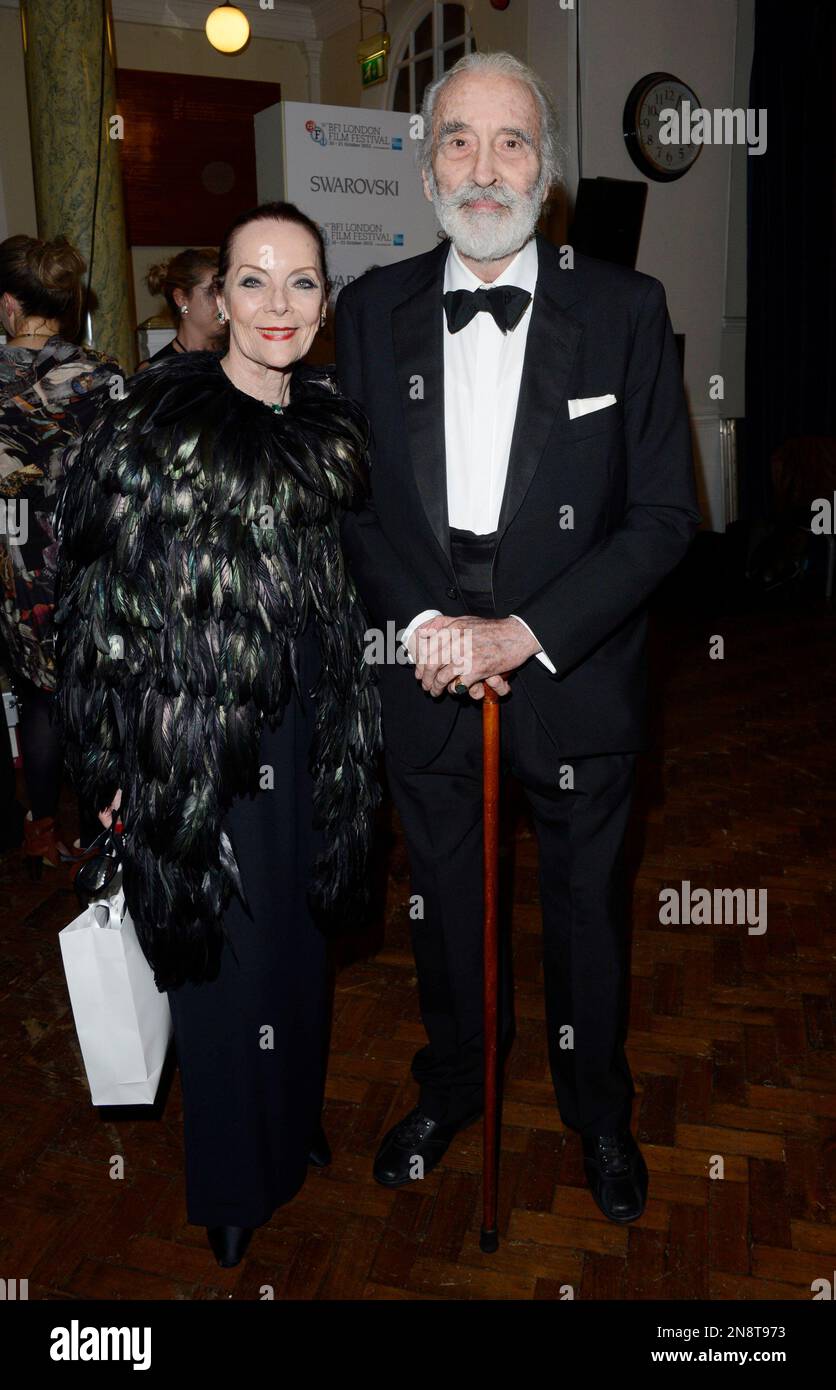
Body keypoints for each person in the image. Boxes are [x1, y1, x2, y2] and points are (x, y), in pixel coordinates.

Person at [335, 51, 701, 1223]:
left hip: (574, 671)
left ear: (544, 173)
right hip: (425, 663)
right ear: (424, 157)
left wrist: (526, 633)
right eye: (455, 138)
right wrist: (432, 623)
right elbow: (346, 504)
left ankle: (598, 1110)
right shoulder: (371, 306)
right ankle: (452, 1087)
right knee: (442, 909)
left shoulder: (626, 308)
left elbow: (659, 521)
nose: (481, 167)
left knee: (587, 913)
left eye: (508, 142)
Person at [54, 201, 381, 1268]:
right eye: (253, 279)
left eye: (300, 282)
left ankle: (289, 1117)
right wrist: (109, 765)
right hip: (189, 745)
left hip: (311, 737)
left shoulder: (334, 434)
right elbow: (96, 606)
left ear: (323, 304)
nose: (277, 303)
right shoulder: (153, 427)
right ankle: (234, 1178)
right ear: (214, 299)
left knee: (296, 946)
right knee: (219, 960)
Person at [0, 233, 121, 874]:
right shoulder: (103, 377)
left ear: (10, 305)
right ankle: (101, 830)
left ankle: (41, 829)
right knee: (97, 696)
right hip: (89, 559)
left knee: (38, 698)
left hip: (15, 564)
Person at [137, 248, 225, 368]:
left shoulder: (239, 361)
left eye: (225, 291)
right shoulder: (156, 372)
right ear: (181, 299)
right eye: (212, 292)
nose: (224, 302)